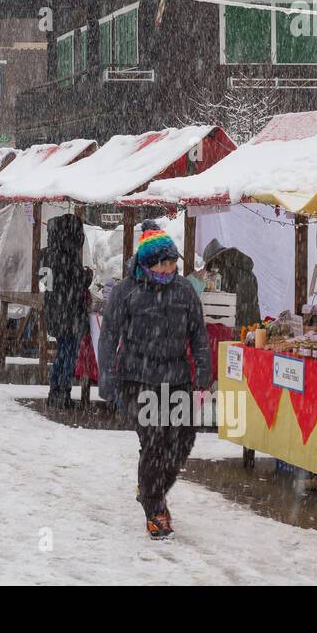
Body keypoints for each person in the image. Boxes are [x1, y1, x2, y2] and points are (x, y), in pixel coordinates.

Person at [98, 222, 210, 541]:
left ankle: (151, 487)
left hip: (176, 379)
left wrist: (203, 374)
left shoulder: (184, 290)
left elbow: (198, 335)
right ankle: (155, 506)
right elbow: (108, 337)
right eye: (163, 262)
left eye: (173, 261)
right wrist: (107, 377)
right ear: (146, 264)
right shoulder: (126, 291)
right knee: (157, 440)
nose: (170, 268)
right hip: (137, 378)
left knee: (183, 440)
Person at [42, 213, 94, 411]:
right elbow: (76, 282)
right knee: (68, 353)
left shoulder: (47, 254)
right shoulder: (67, 255)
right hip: (69, 312)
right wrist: (87, 274)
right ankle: (62, 392)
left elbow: (51, 282)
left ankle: (55, 391)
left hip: (55, 310)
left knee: (62, 352)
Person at [200, 238, 261, 329]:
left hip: (231, 332)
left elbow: (214, 313)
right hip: (253, 328)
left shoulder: (217, 275)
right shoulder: (249, 273)